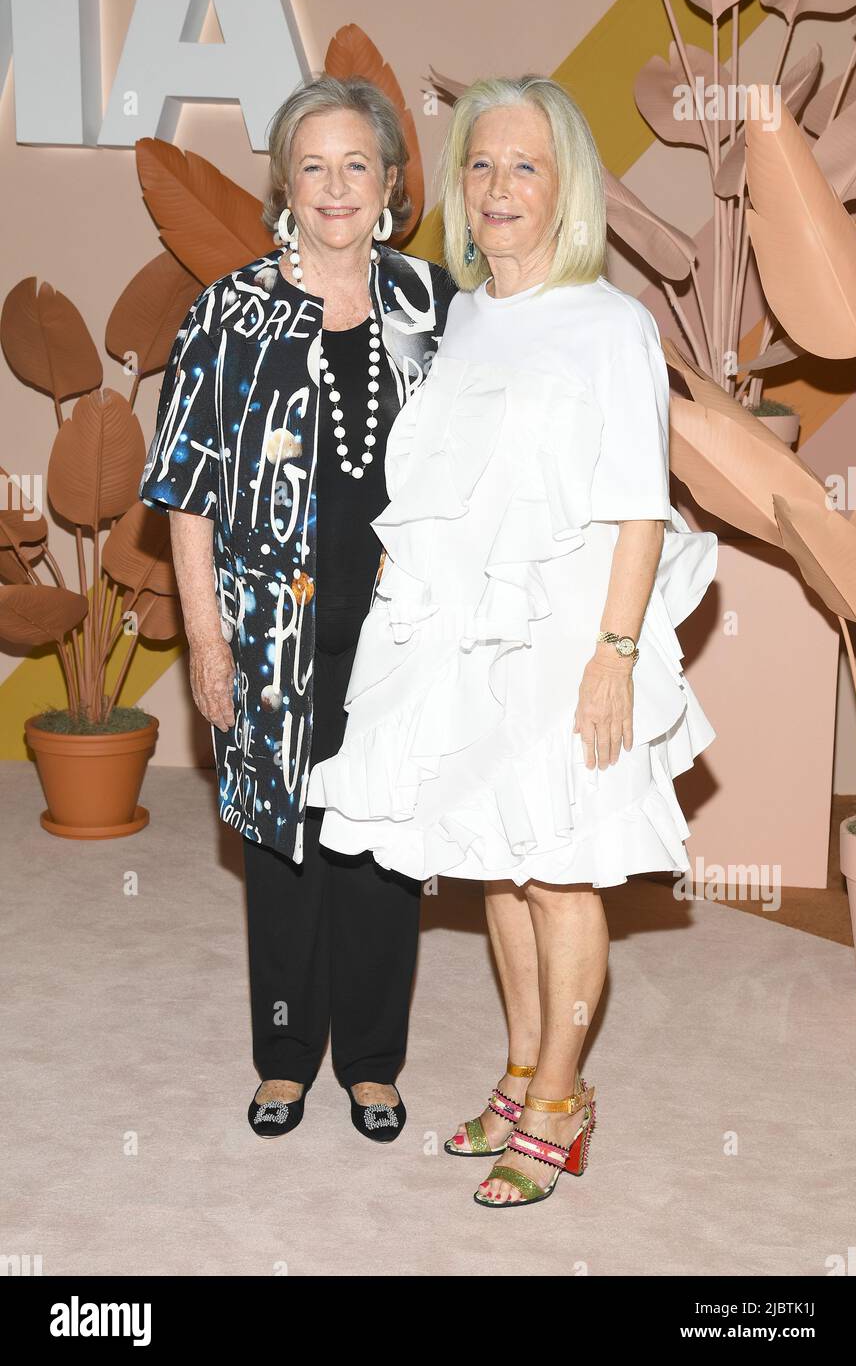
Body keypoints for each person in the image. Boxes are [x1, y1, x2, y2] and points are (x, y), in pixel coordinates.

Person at [306, 76, 718, 1203]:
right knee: (498, 863)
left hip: (573, 636)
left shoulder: (613, 326)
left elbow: (641, 504)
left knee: (563, 873)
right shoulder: (464, 312)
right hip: (471, 644)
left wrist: (614, 655)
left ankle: (560, 1103)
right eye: (480, 165)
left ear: (565, 188)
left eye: (523, 166)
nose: (495, 187)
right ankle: (525, 1067)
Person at [139, 76, 458, 1142]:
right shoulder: (227, 312)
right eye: (312, 166)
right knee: (282, 845)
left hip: (402, 635)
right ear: (286, 181)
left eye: (355, 165)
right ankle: (285, 1056)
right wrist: (207, 642)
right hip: (269, 634)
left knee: (379, 846)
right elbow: (184, 490)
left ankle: (372, 1060)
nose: (334, 187)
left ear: (389, 183)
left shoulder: (433, 303)